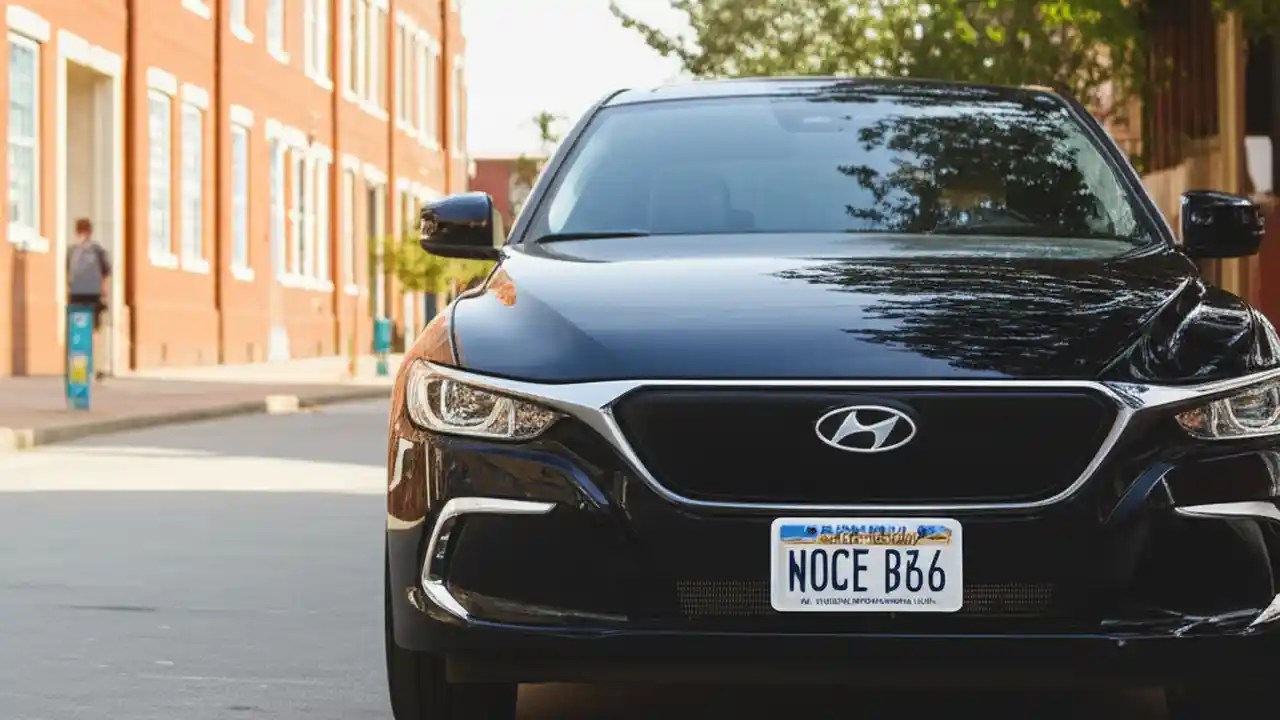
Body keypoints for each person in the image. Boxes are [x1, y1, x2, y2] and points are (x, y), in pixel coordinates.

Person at [66, 218, 111, 379]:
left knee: (79, 332)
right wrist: (104, 295)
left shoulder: (72, 251)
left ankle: (80, 369)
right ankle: (98, 367)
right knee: (95, 331)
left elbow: (69, 276)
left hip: (77, 295)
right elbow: (105, 274)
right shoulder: (97, 250)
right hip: (93, 295)